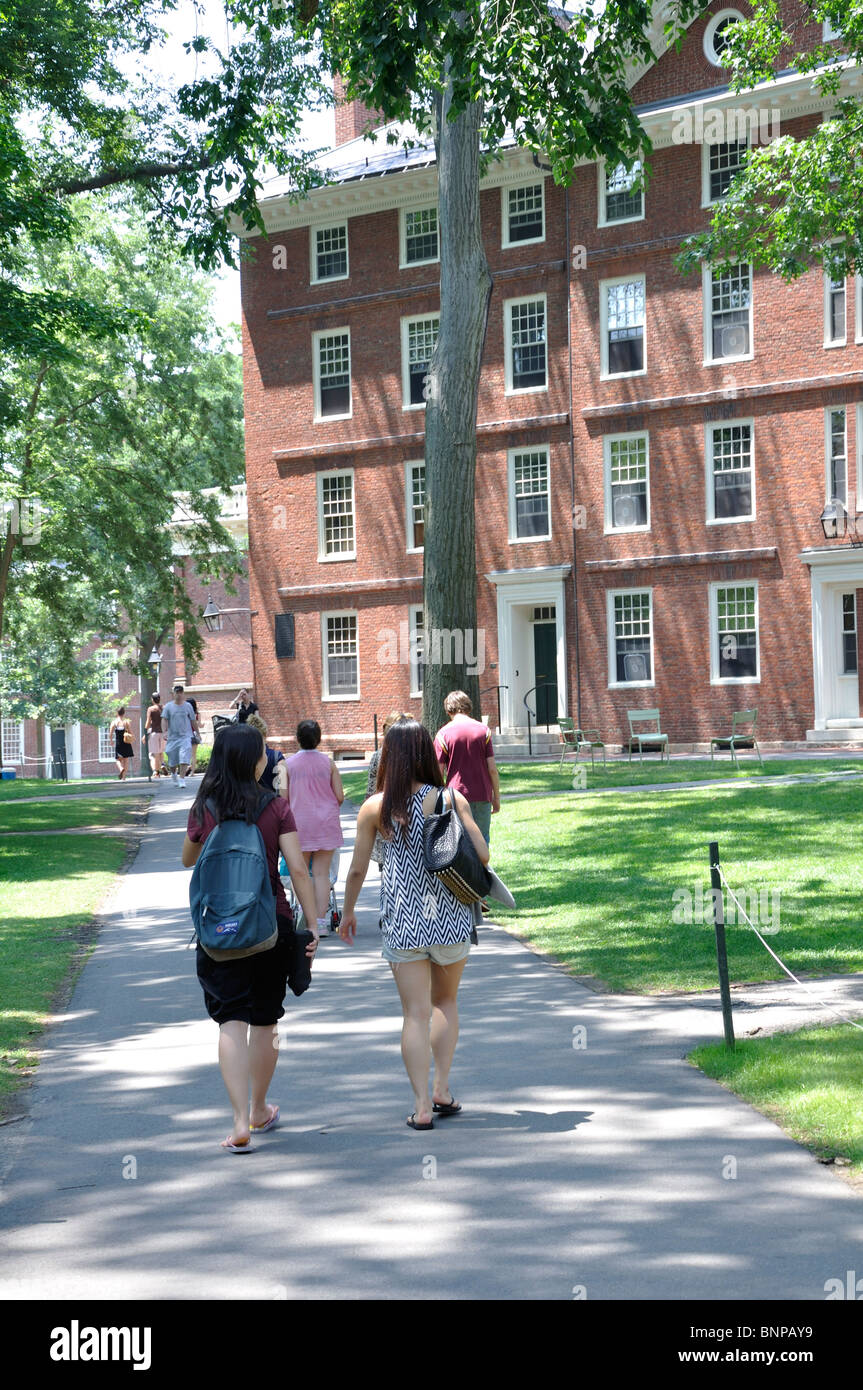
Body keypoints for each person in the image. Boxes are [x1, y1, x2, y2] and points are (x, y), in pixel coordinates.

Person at [340, 720, 489, 1131]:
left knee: (414, 1013)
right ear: (426, 751)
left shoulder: (376, 807)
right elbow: (484, 855)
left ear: (388, 756)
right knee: (446, 1003)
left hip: (404, 919)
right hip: (449, 916)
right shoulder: (449, 797)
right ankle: (441, 1087)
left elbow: (356, 871)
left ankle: (422, 1106)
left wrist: (347, 913)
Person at [182, 723, 319, 1153]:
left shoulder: (205, 807)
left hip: (218, 930)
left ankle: (240, 1120)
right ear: (253, 759)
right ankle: (259, 1108)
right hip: (268, 926)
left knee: (230, 1022)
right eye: (262, 752)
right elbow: (299, 870)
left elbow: (188, 859)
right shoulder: (275, 806)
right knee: (266, 1022)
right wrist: (310, 925)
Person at [284, 720, 344, 936]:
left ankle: (305, 915)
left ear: (297, 738)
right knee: (321, 873)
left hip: (299, 823)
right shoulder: (329, 763)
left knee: (300, 871)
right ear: (319, 739)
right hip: (326, 822)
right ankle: (320, 920)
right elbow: (339, 796)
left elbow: (282, 799)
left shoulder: (286, 765)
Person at [434, 691, 501, 848]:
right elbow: (492, 769)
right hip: (483, 793)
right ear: (468, 707)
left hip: (456, 795)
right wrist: (496, 797)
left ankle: (463, 873)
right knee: (482, 841)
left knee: (459, 843)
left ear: (448, 710)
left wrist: (438, 798)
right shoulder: (483, 731)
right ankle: (481, 872)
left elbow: (438, 772)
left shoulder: (443, 734)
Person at [365, 710, 409, 873]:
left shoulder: (378, 755)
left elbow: (371, 790)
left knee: (387, 867)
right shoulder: (411, 754)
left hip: (385, 813)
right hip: (410, 812)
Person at [161, 683, 199, 788]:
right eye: (176, 693)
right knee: (172, 759)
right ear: (173, 694)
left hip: (185, 736)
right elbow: (164, 719)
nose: (178, 695)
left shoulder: (188, 706)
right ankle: (173, 774)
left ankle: (182, 779)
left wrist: (197, 733)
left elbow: (193, 720)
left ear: (183, 693)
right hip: (172, 737)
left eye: (180, 692)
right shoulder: (168, 706)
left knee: (184, 757)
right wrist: (164, 731)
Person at [246, 712, 286, 794]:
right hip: (273, 804)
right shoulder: (277, 757)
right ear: (265, 734)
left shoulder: (243, 757)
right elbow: (283, 792)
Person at [109, 707, 135, 780]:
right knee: (126, 760)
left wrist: (111, 741)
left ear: (117, 713)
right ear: (124, 713)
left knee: (117, 759)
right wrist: (132, 737)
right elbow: (130, 732)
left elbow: (110, 733)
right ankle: (124, 777)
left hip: (119, 743)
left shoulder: (114, 722)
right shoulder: (126, 722)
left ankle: (121, 769)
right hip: (126, 742)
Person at [145, 694, 165, 777]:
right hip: (163, 733)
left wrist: (145, 732)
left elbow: (148, 721)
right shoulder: (164, 708)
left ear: (152, 699)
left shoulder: (151, 709)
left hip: (154, 732)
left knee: (154, 754)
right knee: (160, 752)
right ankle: (162, 764)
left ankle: (156, 771)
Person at [187, 695, 202, 775]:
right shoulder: (197, 714)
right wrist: (202, 725)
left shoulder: (185, 713)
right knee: (194, 754)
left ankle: (187, 766)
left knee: (186, 753)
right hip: (194, 734)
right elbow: (199, 725)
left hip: (186, 735)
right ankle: (192, 772)